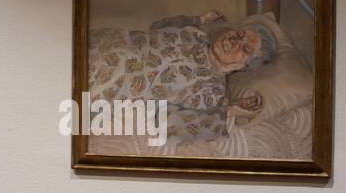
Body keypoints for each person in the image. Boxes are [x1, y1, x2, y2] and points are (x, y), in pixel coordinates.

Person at [87, 10, 277, 147]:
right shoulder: (196, 33)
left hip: (103, 84)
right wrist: (199, 19)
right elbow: (157, 27)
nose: (235, 40)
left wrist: (231, 111)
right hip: (99, 41)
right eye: (239, 33)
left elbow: (174, 124)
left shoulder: (210, 90)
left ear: (244, 66)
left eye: (245, 48)